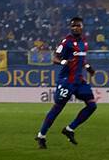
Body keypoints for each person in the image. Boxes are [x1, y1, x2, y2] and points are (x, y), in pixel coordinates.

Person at [36, 16, 97, 149]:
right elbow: (55, 58)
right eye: (73, 25)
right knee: (58, 108)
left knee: (92, 105)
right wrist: (63, 62)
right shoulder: (66, 42)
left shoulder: (84, 42)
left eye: (78, 25)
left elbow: (81, 59)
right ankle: (41, 135)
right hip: (66, 81)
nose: (75, 27)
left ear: (82, 27)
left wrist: (88, 67)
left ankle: (69, 129)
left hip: (79, 80)